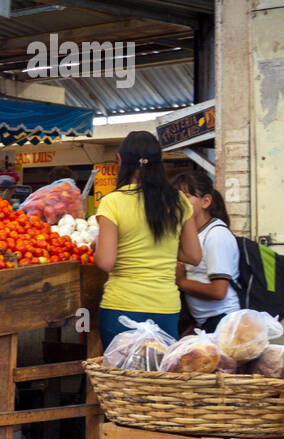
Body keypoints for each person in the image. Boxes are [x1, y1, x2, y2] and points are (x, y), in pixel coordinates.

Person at [93, 131, 202, 345]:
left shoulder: (113, 202)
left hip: (122, 306)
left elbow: (105, 262)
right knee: (159, 377)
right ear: (159, 162)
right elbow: (194, 255)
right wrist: (164, 248)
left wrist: (99, 246)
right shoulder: (178, 201)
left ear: (120, 159)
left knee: (122, 376)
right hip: (165, 307)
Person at [172, 170, 240, 334]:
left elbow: (218, 291)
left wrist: (182, 282)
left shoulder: (216, 235)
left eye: (185, 196)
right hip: (205, 322)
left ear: (206, 201)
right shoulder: (193, 235)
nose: (177, 202)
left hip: (223, 322)